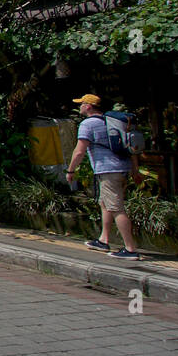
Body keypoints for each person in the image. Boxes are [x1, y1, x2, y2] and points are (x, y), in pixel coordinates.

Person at [67, 93, 140, 259]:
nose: (80, 106)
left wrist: (71, 170)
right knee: (105, 203)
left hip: (108, 170)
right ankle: (103, 239)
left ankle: (130, 249)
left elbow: (79, 151)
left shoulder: (88, 124)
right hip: (122, 168)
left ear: (88, 106)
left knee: (115, 207)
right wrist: (135, 170)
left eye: (81, 103)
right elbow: (132, 147)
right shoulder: (111, 122)